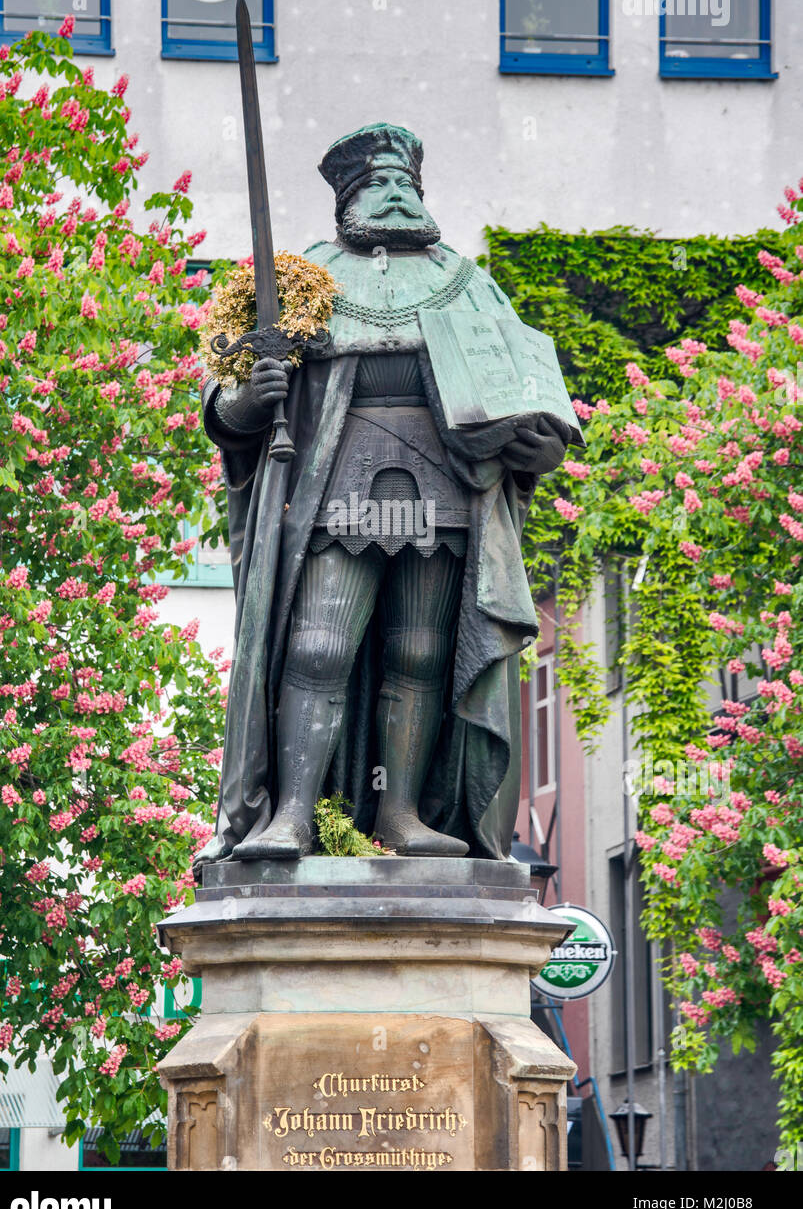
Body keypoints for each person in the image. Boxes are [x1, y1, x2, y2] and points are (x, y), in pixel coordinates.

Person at [195, 123, 570, 866]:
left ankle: (401, 814)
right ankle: (291, 816)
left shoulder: (467, 280)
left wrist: (543, 444)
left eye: (405, 183)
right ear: (346, 199)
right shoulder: (300, 279)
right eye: (377, 184)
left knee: (421, 651)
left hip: (445, 484)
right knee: (318, 645)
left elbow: (524, 383)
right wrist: (247, 400)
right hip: (336, 479)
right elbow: (227, 394)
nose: (395, 195)